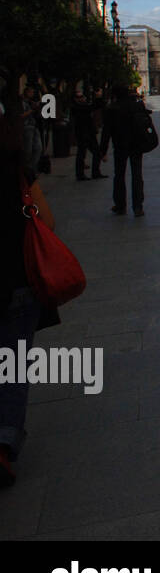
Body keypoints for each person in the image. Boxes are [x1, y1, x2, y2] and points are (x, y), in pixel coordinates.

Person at [0, 110, 54, 487]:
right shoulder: (18, 171)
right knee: (13, 368)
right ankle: (4, 446)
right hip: (16, 280)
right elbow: (46, 223)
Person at [103, 85, 147, 217]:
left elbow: (106, 131)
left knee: (119, 175)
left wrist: (103, 151)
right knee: (137, 176)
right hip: (136, 145)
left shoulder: (112, 108)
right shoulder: (137, 105)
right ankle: (138, 207)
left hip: (120, 146)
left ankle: (120, 205)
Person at [71, 89, 106, 181]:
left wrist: (99, 98)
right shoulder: (76, 107)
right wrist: (98, 97)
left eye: (82, 96)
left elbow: (96, 106)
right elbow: (93, 107)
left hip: (89, 133)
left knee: (96, 153)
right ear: (75, 99)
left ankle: (95, 172)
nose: (81, 99)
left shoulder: (83, 106)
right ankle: (80, 174)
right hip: (82, 133)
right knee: (82, 154)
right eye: (79, 97)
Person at [18, 84, 42, 176]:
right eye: (31, 92)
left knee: (38, 148)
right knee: (28, 150)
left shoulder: (30, 102)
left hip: (34, 126)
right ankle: (27, 169)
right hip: (27, 127)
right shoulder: (21, 102)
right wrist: (32, 110)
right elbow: (21, 116)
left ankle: (31, 168)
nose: (32, 94)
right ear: (27, 92)